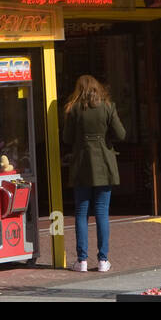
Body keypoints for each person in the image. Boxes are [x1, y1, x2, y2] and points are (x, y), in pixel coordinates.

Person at [63, 75, 125, 272]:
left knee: (81, 213)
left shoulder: (73, 109)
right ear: (98, 89)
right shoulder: (108, 107)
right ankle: (103, 260)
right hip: (104, 165)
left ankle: (81, 260)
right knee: (102, 213)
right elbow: (121, 134)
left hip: (81, 164)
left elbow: (66, 138)